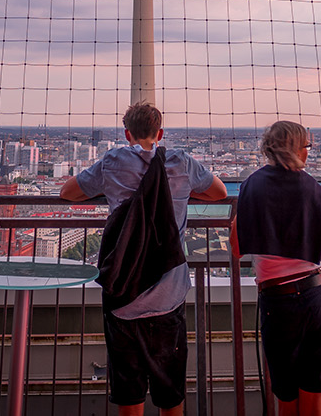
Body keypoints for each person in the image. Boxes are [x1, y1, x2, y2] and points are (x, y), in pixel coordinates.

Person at [60, 102, 227, 416]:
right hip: (169, 295)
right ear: (160, 133)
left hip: (123, 295)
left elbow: (68, 193)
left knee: (129, 398)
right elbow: (218, 193)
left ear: (127, 134)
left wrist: (107, 189)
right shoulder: (181, 162)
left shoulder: (112, 162)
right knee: (171, 397)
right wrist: (180, 192)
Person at [232, 120, 321, 416]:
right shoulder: (314, 189)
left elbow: (237, 248)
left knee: (286, 395)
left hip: (277, 300)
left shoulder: (251, 185)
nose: (308, 153)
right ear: (294, 148)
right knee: (314, 394)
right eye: (306, 146)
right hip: (316, 295)